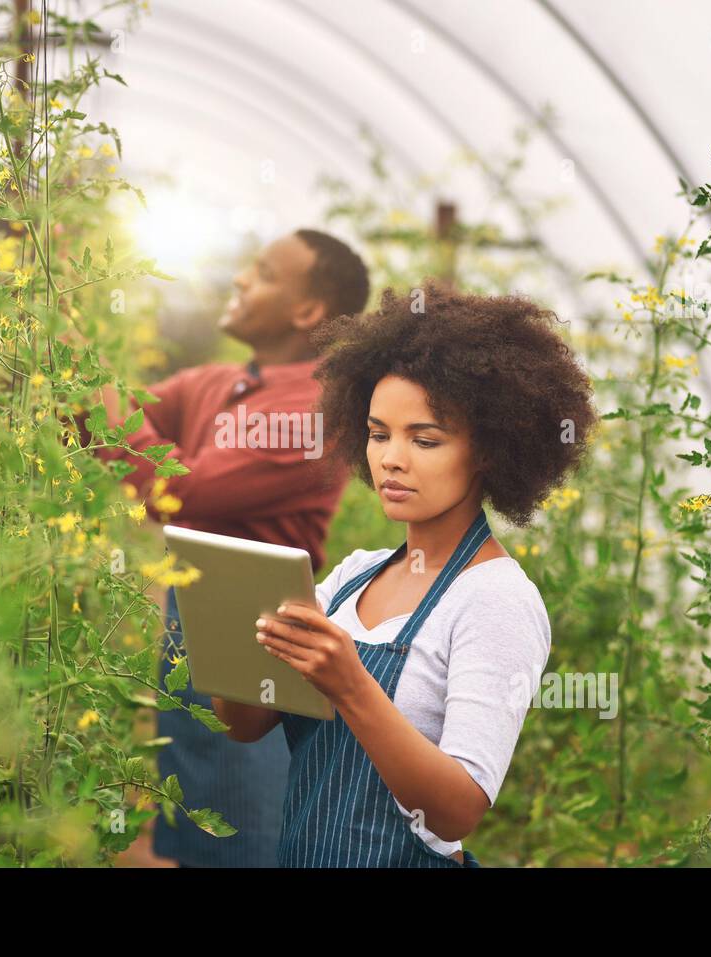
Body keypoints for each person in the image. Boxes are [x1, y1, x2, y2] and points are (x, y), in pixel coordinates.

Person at [212, 282, 599, 866]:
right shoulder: (352, 578)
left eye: (425, 439)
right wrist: (242, 646)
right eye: (377, 433)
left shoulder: (495, 600)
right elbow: (245, 726)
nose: (392, 458)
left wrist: (350, 685)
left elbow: (457, 809)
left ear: (490, 451)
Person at [80, 229, 370, 866]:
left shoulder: (317, 409)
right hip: (193, 609)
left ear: (307, 311)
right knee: (193, 812)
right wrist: (61, 378)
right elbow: (127, 418)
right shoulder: (222, 382)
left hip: (257, 624)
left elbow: (180, 490)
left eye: (263, 273)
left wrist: (82, 368)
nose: (241, 279)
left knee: (241, 830)